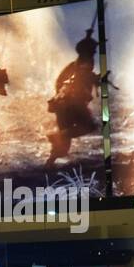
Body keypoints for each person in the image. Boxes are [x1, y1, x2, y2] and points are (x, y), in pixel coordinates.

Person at [45, 29, 99, 170]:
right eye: (93, 50)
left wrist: (87, 36)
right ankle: (57, 136)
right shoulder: (84, 66)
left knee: (64, 144)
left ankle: (50, 162)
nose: (94, 53)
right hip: (74, 105)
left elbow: (59, 81)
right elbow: (85, 75)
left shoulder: (74, 65)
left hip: (61, 105)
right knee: (89, 126)